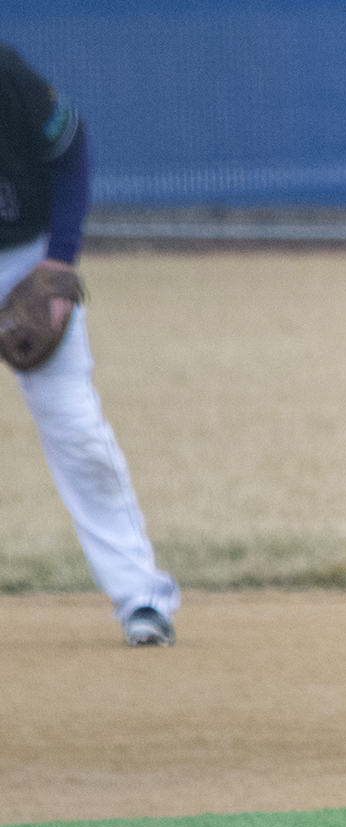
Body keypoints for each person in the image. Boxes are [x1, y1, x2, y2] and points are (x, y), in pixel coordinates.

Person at [1, 42, 178, 646]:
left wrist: (58, 265)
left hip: (27, 257)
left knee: (76, 429)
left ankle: (142, 599)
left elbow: (70, 149)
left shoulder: (6, 71)